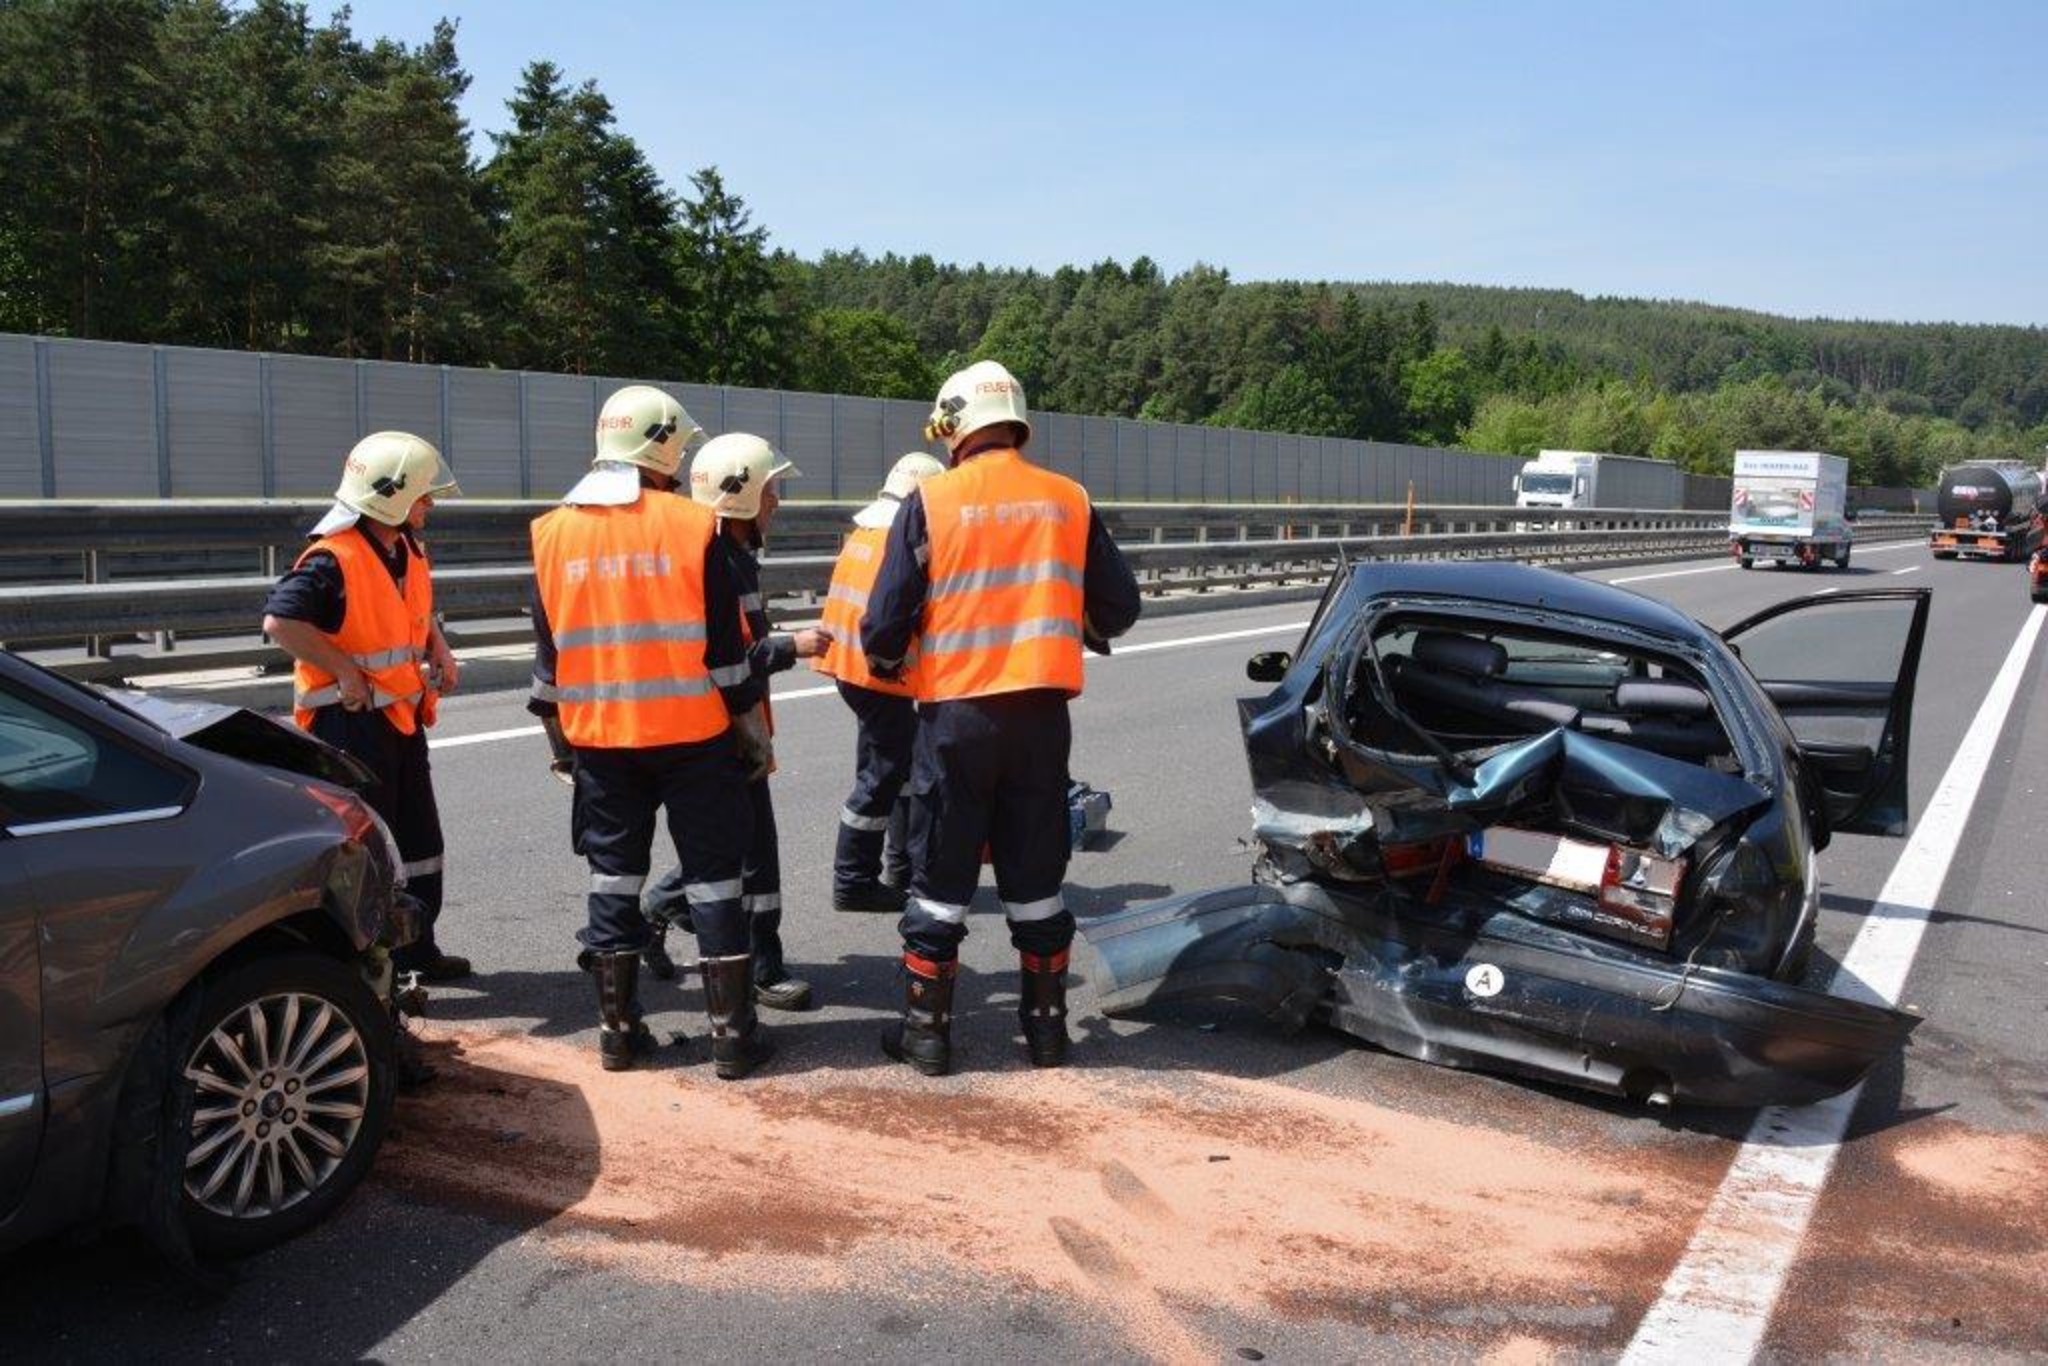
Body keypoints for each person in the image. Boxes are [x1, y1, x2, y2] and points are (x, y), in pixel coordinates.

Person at [860, 360, 1142, 1076]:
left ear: (953, 427)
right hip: (1041, 719)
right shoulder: (1068, 498)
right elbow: (1120, 607)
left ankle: (927, 1036)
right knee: (1036, 875)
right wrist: (1075, 624)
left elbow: (884, 624)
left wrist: (890, 660)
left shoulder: (933, 499)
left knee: (939, 878)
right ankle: (1047, 1034)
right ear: (1017, 421)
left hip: (956, 719)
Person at [527, 385, 773, 1078]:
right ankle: (732, 1038)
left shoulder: (551, 533)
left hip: (601, 741)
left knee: (613, 880)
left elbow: (549, 662)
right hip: (694, 737)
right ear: (662, 448)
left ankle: (617, 1033)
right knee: (714, 882)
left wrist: (562, 748)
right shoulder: (694, 526)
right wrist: (753, 732)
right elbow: (727, 655)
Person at [264, 431, 470, 985]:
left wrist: (439, 647)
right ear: (392, 497)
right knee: (369, 848)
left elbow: (412, 608)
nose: (429, 506)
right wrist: (345, 671)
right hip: (349, 724)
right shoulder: (333, 558)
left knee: (420, 841)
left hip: (399, 718)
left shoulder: (404, 547)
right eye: (422, 496)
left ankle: (417, 949)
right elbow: (280, 622)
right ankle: (372, 970)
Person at [640, 433, 828, 1012]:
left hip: (737, 726)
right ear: (741, 495)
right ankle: (761, 968)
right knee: (751, 857)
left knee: (736, 848)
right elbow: (726, 659)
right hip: (721, 730)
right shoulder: (716, 560)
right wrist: (790, 646)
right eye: (770, 490)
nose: (776, 501)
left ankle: (662, 908)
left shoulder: (734, 556)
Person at [813, 452, 946, 914]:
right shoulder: (900, 538)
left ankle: (902, 867)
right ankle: (854, 881)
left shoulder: (867, 531)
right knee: (882, 776)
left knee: (896, 766)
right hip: (879, 671)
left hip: (851, 665)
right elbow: (900, 611)